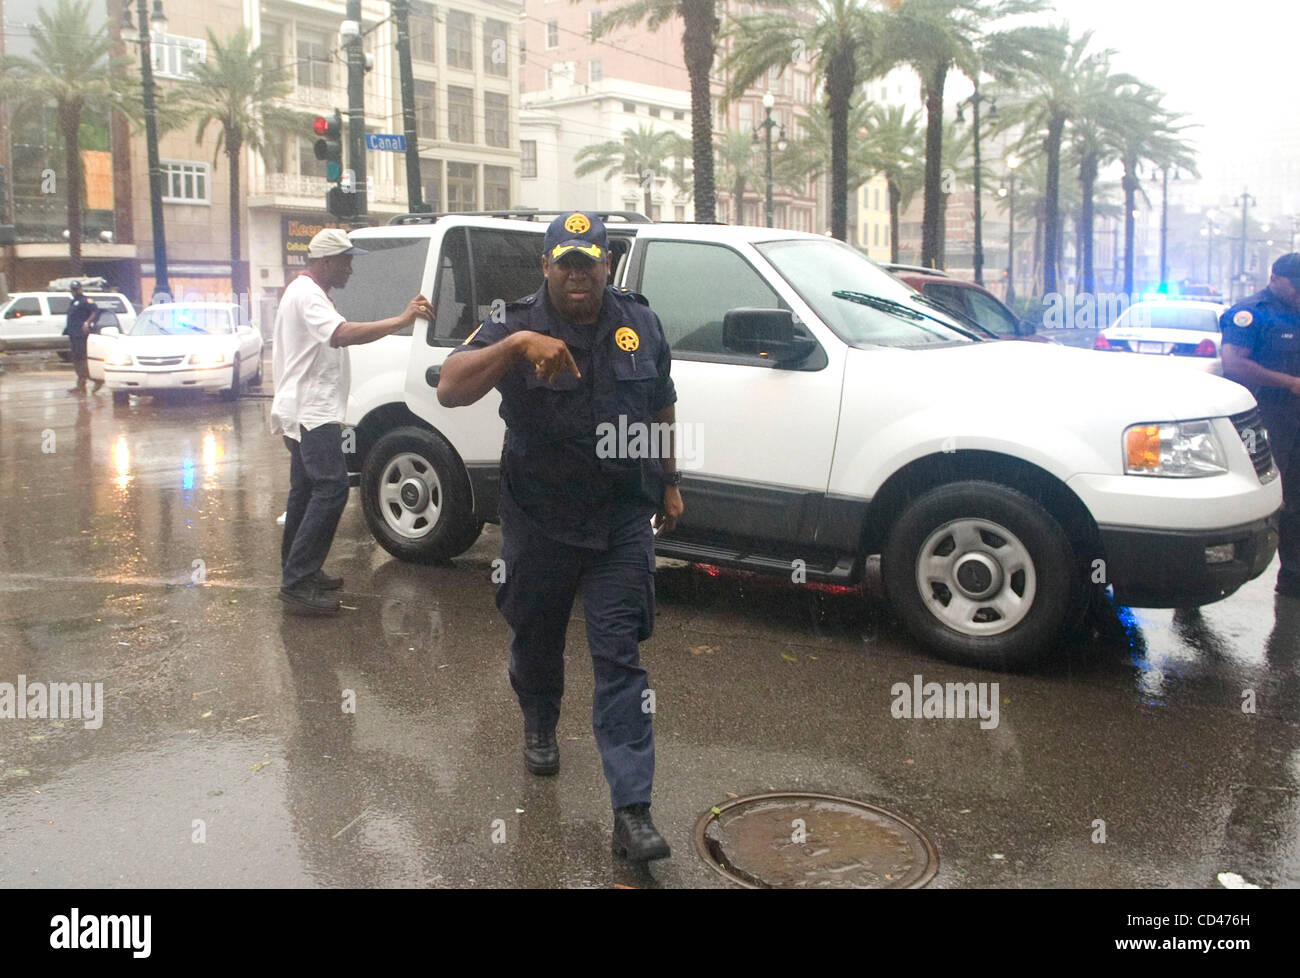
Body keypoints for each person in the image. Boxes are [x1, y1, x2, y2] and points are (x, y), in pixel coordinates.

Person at [437, 211, 683, 863]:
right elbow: (450, 388)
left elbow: (661, 404)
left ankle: (632, 813)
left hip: (621, 516)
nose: (579, 274)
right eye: (565, 262)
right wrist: (517, 348)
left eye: (589, 261)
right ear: (545, 268)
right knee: (536, 635)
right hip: (540, 516)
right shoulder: (514, 322)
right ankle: (540, 720)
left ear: (608, 265)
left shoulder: (641, 323)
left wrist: (671, 481)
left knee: (620, 656)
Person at [271, 228, 432, 616]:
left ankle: (298, 571)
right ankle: (297, 583)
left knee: (306, 491)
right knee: (331, 489)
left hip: (307, 409)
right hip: (313, 412)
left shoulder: (308, 291)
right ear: (326, 261)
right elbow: (342, 335)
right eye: (346, 260)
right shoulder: (308, 294)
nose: (351, 269)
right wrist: (401, 319)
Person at [1221, 252, 1300, 596]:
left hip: (1295, 422)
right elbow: (1234, 364)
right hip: (1261, 420)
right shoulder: (1250, 314)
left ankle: (1293, 578)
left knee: (1296, 497)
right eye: (1296, 287)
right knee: (1256, 496)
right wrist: (1289, 382)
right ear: (1276, 279)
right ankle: (1215, 574)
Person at [63, 281, 101, 395]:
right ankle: (80, 385)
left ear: (81, 289)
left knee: (83, 360)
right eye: (73, 289)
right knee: (76, 360)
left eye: (76, 289)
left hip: (81, 335)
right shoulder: (73, 301)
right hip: (73, 334)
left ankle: (97, 380)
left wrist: (87, 322)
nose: (75, 291)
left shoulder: (86, 301)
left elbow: (95, 311)